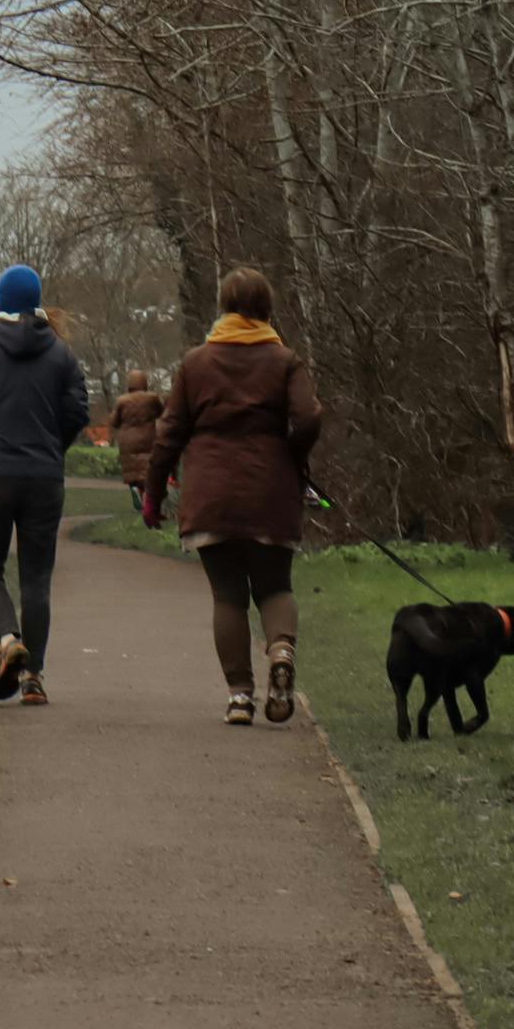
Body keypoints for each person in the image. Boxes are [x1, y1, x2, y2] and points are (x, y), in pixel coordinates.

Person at [142, 267, 323, 726]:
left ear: (222, 308)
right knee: (275, 586)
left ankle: (240, 697)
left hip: (211, 493)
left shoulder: (195, 363)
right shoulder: (285, 361)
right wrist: (293, 456)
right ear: (267, 308)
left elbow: (169, 434)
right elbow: (307, 419)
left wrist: (153, 492)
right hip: (271, 490)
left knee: (227, 597)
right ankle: (280, 650)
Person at [0, 262, 90, 707]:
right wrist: (54, 447)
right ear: (37, 301)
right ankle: (33, 678)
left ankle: (9, 641)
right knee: (37, 577)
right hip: (44, 476)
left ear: (0, 302)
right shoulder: (62, 354)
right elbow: (77, 411)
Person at [109, 369, 163, 514]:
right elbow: (161, 413)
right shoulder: (152, 398)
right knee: (148, 468)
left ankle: (134, 488)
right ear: (144, 383)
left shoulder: (122, 401)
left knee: (132, 469)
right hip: (148, 437)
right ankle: (146, 497)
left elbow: (114, 422)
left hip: (127, 440)